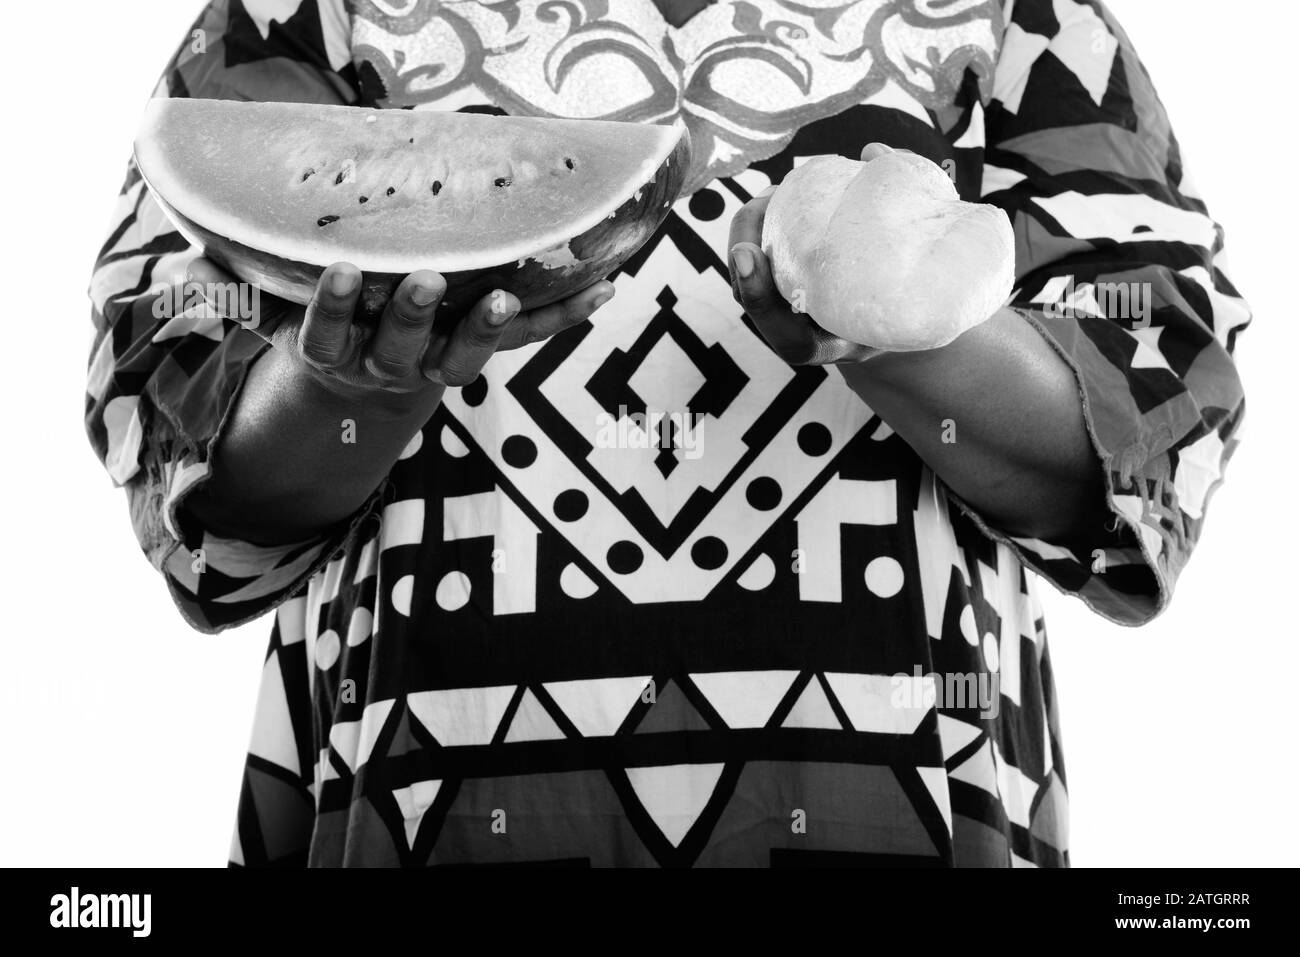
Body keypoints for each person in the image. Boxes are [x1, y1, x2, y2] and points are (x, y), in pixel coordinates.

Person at [86, 0, 1247, 867]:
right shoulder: (312, 11)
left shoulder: (1012, 16)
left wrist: (896, 323)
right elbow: (184, 421)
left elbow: (1147, 401)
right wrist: (356, 392)